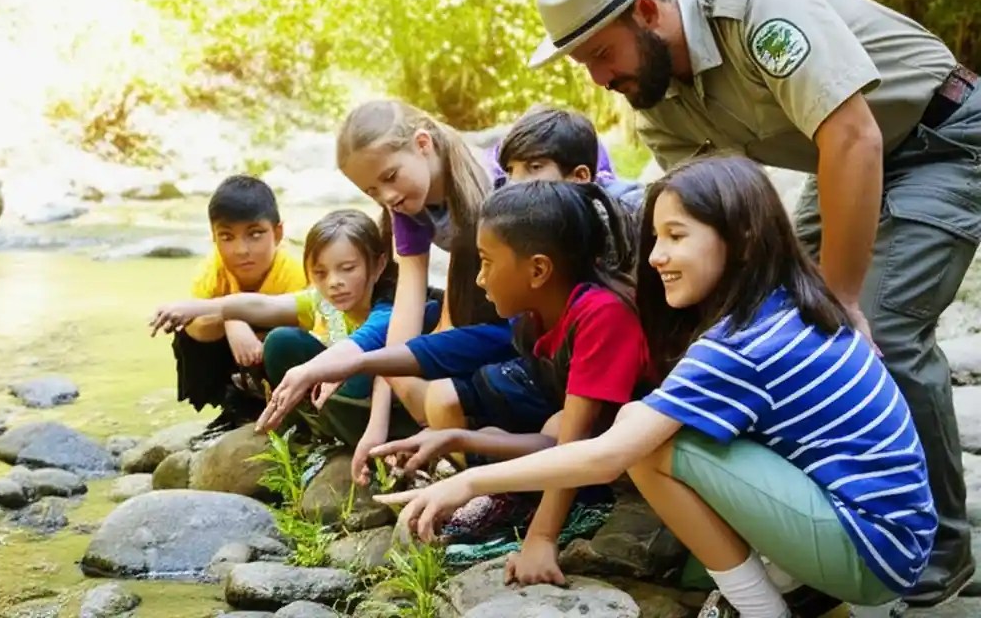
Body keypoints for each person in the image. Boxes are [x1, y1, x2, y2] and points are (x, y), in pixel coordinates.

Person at [525, 0, 978, 605]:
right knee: (779, 329)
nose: (597, 79)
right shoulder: (656, 103)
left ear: (648, 12)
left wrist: (842, 301)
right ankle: (818, 528)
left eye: (601, 54)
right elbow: (714, 223)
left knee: (874, 330)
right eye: (582, 63)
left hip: (940, 135)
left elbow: (855, 137)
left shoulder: (762, 10)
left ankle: (937, 549)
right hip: (841, 159)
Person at [376, 156, 936, 618]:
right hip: (890, 536)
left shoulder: (741, 341)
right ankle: (791, 585)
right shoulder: (782, 304)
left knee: (650, 440)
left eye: (676, 236)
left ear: (741, 238)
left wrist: (466, 482)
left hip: (872, 551)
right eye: (654, 237)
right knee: (673, 468)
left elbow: (610, 455)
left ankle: (760, 610)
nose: (656, 256)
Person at [260, 180, 651, 585]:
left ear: (538, 269)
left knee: (513, 405)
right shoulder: (539, 312)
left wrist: (541, 539)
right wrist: (351, 366)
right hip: (578, 451)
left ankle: (542, 512)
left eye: (486, 262)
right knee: (500, 416)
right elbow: (448, 350)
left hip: (615, 472)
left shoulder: (602, 316)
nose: (479, 279)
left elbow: (573, 445)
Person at [150, 209, 439, 444]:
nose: (333, 282)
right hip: (338, 401)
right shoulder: (321, 300)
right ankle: (313, 429)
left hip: (389, 411)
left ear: (378, 266)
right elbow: (264, 306)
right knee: (281, 342)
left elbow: (367, 350)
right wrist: (199, 307)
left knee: (366, 372)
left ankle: (346, 434)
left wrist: (314, 372)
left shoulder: (393, 307)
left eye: (347, 269)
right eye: (320, 273)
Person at [333, 99, 504, 483]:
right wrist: (377, 424)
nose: (387, 197)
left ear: (423, 144)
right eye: (372, 191)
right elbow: (404, 310)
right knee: (405, 375)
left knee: (437, 387)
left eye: (391, 177)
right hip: (478, 309)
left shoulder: (493, 184)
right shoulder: (406, 210)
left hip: (523, 319)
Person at [170, 174, 306, 431]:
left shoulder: (295, 272)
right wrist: (231, 318)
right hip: (234, 357)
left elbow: (310, 328)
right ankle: (231, 405)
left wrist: (252, 330)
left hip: (278, 357)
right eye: (227, 237)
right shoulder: (212, 271)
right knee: (185, 333)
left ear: (278, 233)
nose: (241, 250)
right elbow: (194, 328)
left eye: (255, 234)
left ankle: (279, 407)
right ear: (213, 236)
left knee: (286, 340)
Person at [498, 104, 645, 214]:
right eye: (510, 171)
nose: (513, 183)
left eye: (535, 167)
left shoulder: (631, 217)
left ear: (580, 177)